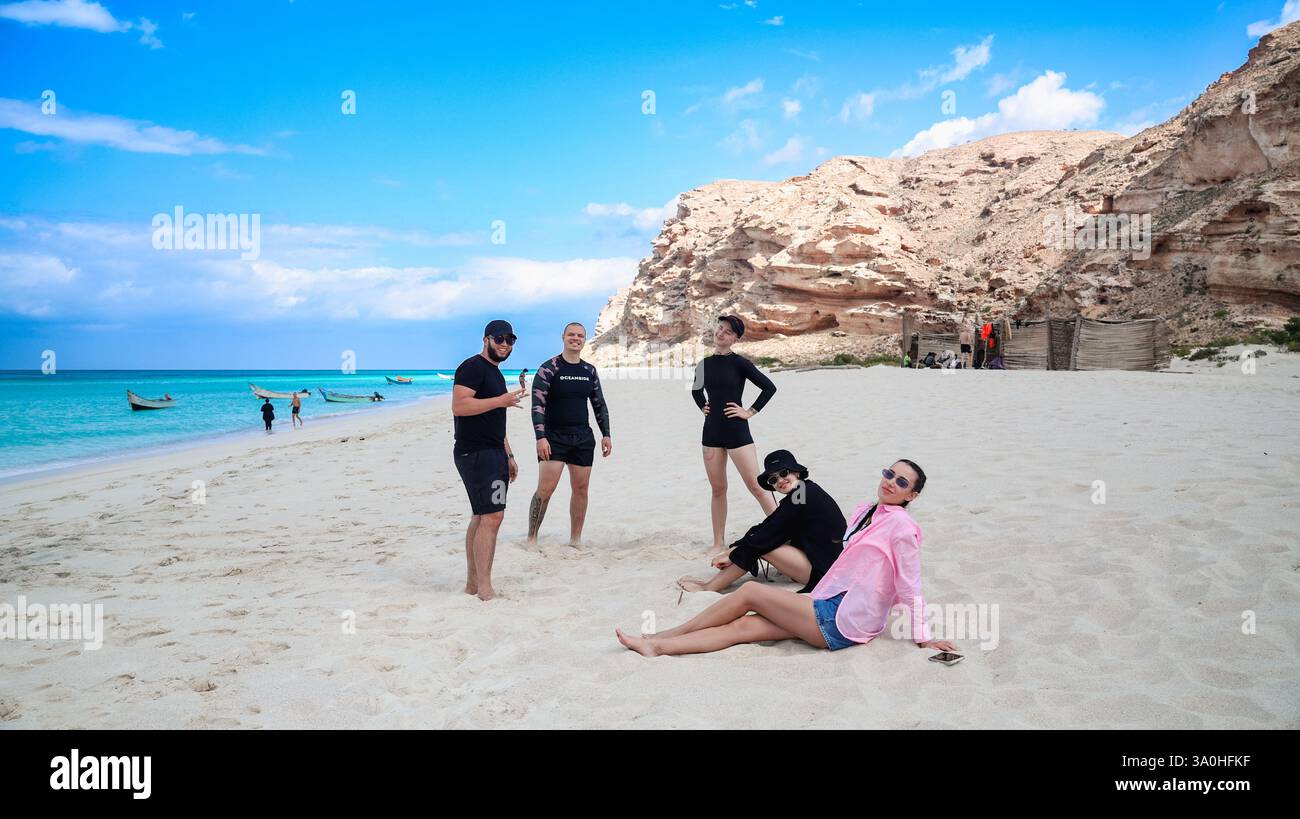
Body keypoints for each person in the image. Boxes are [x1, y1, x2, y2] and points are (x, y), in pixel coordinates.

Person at [616, 459, 957, 657]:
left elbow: (911, 586)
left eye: (901, 482)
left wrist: (924, 636)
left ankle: (663, 636)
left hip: (842, 620)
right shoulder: (868, 511)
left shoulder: (902, 527)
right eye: (889, 474)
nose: (890, 483)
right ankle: (658, 648)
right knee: (744, 626)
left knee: (749, 594)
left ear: (912, 494)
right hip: (829, 601)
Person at [678, 449, 846, 594]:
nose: (780, 480)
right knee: (760, 539)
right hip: (826, 563)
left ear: (797, 472)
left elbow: (767, 533)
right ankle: (713, 583)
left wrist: (732, 553)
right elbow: (769, 524)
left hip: (826, 572)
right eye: (773, 479)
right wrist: (735, 548)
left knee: (762, 545)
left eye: (783, 473)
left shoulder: (801, 497)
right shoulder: (803, 492)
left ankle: (710, 587)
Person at [692, 315, 778, 555]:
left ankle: (784, 531)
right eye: (720, 328)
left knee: (757, 486)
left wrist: (749, 411)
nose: (721, 333)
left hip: (737, 431)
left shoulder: (740, 363)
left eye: (728, 332)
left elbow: (769, 387)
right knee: (718, 489)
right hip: (711, 434)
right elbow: (696, 390)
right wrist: (703, 407)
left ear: (735, 339)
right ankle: (718, 542)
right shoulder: (704, 364)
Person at [452, 319, 525, 601]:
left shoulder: (494, 373)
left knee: (482, 515)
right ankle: (485, 588)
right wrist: (500, 401)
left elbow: (496, 421)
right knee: (493, 516)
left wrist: (509, 455)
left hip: (492, 452)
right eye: (499, 339)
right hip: (476, 454)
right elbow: (459, 405)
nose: (505, 345)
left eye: (510, 340)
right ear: (486, 340)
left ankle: (473, 584)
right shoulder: (472, 367)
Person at [526, 322, 612, 546]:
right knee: (545, 489)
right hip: (553, 438)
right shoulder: (549, 368)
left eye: (580, 336)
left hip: (583, 438)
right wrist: (540, 437)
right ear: (563, 337)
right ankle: (532, 538)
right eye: (571, 335)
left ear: (585, 340)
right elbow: (537, 406)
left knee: (581, 489)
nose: (576, 338)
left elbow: (599, 404)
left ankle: (575, 539)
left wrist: (606, 434)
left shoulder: (589, 371)